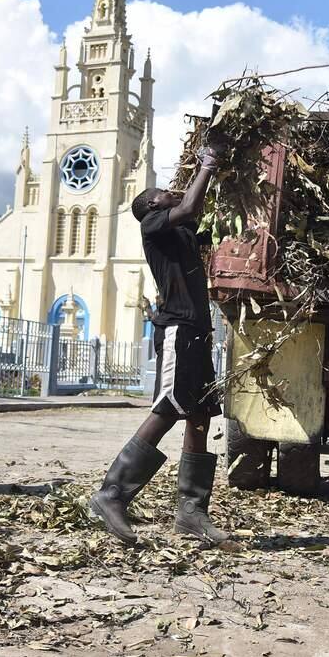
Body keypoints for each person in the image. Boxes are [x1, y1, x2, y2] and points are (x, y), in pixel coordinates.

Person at [90, 144, 229, 546]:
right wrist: (206, 164)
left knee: (201, 412)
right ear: (152, 204)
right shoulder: (152, 224)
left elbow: (198, 214)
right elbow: (186, 207)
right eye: (165, 191)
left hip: (199, 333)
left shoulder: (182, 232)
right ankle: (111, 494)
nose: (173, 191)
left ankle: (191, 512)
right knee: (169, 407)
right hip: (177, 331)